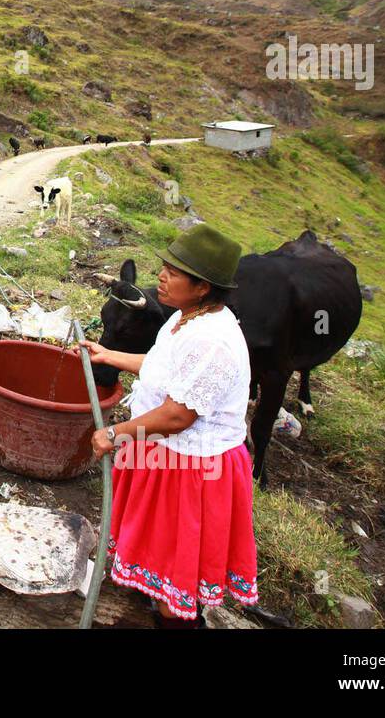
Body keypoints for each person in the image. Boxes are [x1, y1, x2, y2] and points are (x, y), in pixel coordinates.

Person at [81, 223, 258, 627]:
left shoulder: (213, 340)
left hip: (191, 473)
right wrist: (109, 355)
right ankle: (154, 599)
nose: (161, 276)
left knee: (175, 581)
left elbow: (178, 416)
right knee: (156, 560)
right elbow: (166, 368)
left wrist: (114, 433)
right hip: (161, 455)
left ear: (203, 287)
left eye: (174, 272)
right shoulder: (185, 319)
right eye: (164, 266)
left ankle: (177, 619)